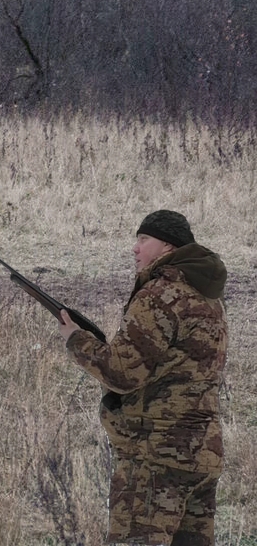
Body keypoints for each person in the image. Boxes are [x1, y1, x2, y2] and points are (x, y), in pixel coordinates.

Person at [57, 209, 227, 546]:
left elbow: (122, 373)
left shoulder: (159, 295)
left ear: (168, 246)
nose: (135, 248)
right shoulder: (210, 298)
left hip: (155, 457)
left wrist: (76, 340)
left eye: (143, 239)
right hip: (202, 453)